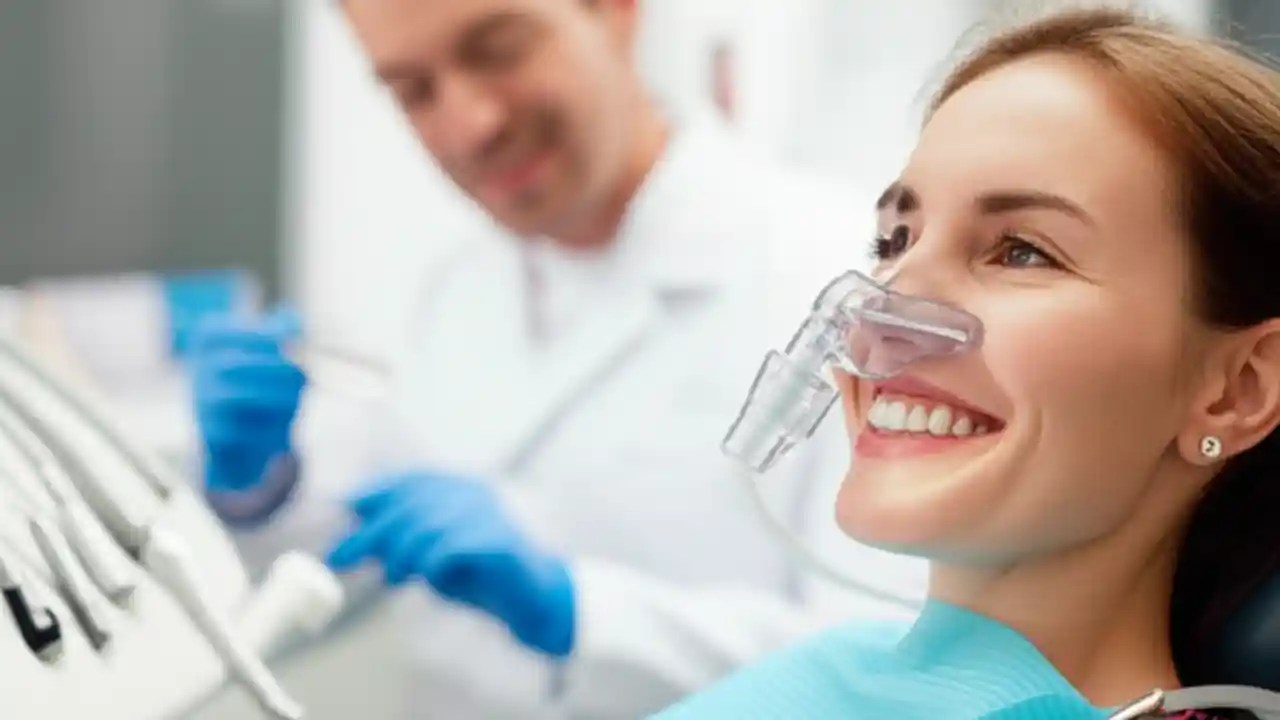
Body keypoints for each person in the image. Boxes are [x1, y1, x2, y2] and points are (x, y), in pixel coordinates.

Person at [187, 0, 926, 717]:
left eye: (499, 48)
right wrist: (264, 492)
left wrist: (582, 614)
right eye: (413, 91)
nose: (471, 124)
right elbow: (368, 552)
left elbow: (893, 667)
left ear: (615, 10)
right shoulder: (453, 287)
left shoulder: (838, 279)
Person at [654, 6, 1280, 719]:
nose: (876, 324)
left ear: (1238, 389)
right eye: (893, 244)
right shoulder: (826, 678)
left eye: (1022, 251)